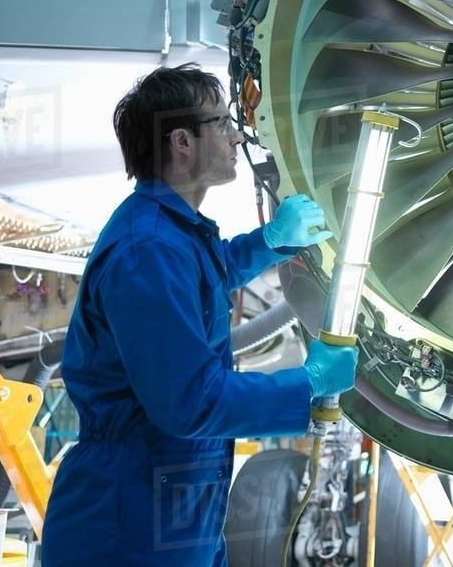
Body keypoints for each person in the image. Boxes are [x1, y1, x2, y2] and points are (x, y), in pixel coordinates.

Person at [41, 64, 358, 566]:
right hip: (129, 520)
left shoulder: (169, 233)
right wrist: (308, 383)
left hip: (177, 505)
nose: (237, 137)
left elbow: (206, 276)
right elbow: (191, 403)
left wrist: (272, 241)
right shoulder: (147, 249)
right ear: (182, 142)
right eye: (223, 123)